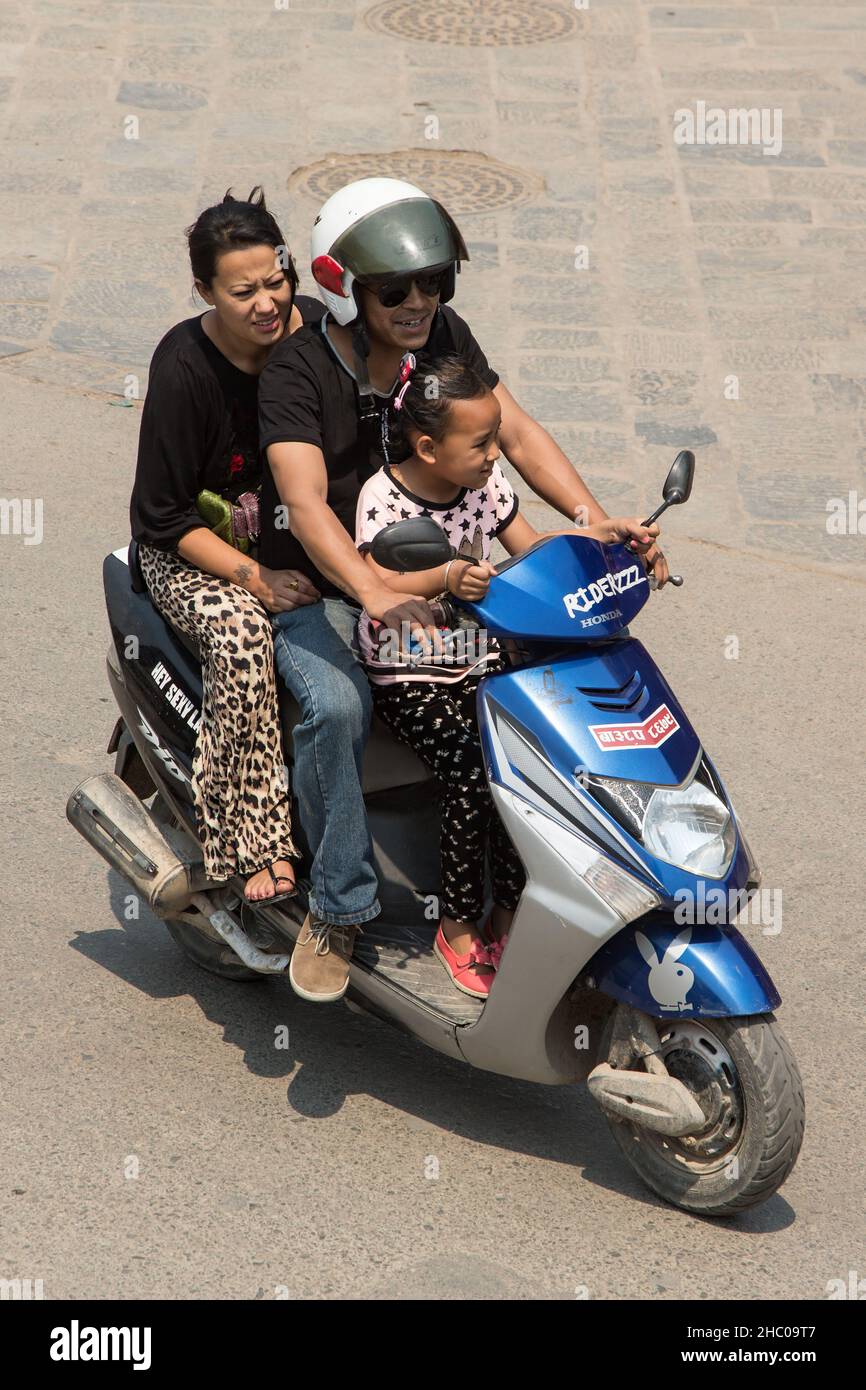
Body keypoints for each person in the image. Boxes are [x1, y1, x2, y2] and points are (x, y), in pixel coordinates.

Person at [257, 176, 669, 1003]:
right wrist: (373, 595)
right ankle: (339, 906)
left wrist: (592, 525)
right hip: (331, 581)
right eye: (396, 289)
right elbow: (303, 507)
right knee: (337, 706)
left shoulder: (439, 335)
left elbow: (511, 430)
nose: (420, 302)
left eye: (433, 282)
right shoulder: (298, 371)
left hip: (440, 585)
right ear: (343, 287)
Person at [354, 354, 661, 997]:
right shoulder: (383, 499)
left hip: (481, 659)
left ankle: (511, 910)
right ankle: (459, 925)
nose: (498, 453)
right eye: (483, 442)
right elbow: (375, 581)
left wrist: (601, 541)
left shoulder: (486, 488)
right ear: (429, 446)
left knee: (538, 764)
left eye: (497, 437)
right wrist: (440, 578)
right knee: (476, 770)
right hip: (409, 673)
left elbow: (531, 550)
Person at [130, 187, 323, 904]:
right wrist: (254, 576)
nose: (267, 303)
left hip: (298, 544)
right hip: (195, 554)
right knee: (242, 632)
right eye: (243, 292)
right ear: (206, 291)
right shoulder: (183, 366)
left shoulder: (318, 340)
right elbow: (163, 515)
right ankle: (248, 839)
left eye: (277, 280)